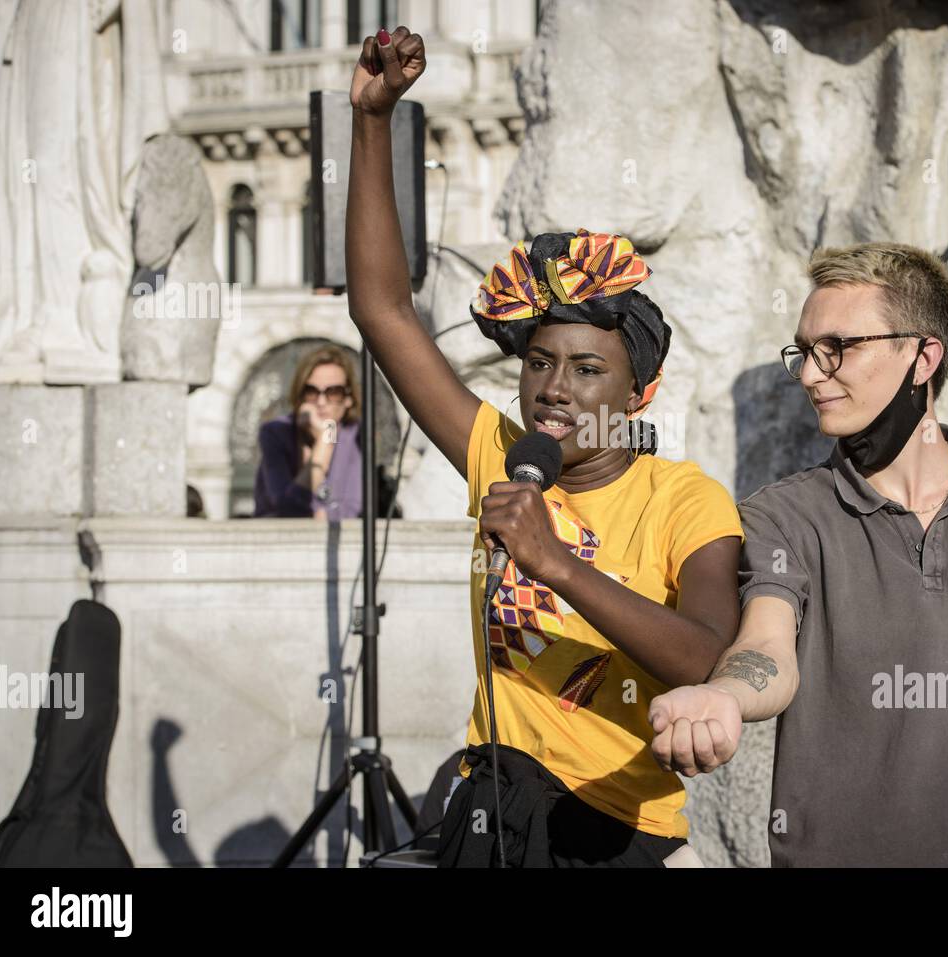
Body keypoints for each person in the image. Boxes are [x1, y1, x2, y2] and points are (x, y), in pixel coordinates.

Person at [345, 26, 743, 867]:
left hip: (612, 831)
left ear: (640, 392)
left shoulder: (684, 497)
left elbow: (710, 653)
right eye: (538, 362)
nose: (555, 387)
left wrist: (555, 560)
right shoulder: (502, 452)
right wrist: (374, 120)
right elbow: (382, 310)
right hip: (491, 807)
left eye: (588, 368)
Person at [649, 242, 948, 867]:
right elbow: (766, 648)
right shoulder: (782, 515)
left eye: (838, 349)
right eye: (805, 353)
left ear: (923, 356)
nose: (812, 375)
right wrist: (726, 696)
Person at [253, 344, 362, 521]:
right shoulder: (275, 433)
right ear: (300, 394)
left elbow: (351, 510)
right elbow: (288, 509)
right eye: (311, 391)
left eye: (334, 392)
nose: (321, 401)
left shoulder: (356, 436)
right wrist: (324, 444)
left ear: (348, 398)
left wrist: (325, 436)